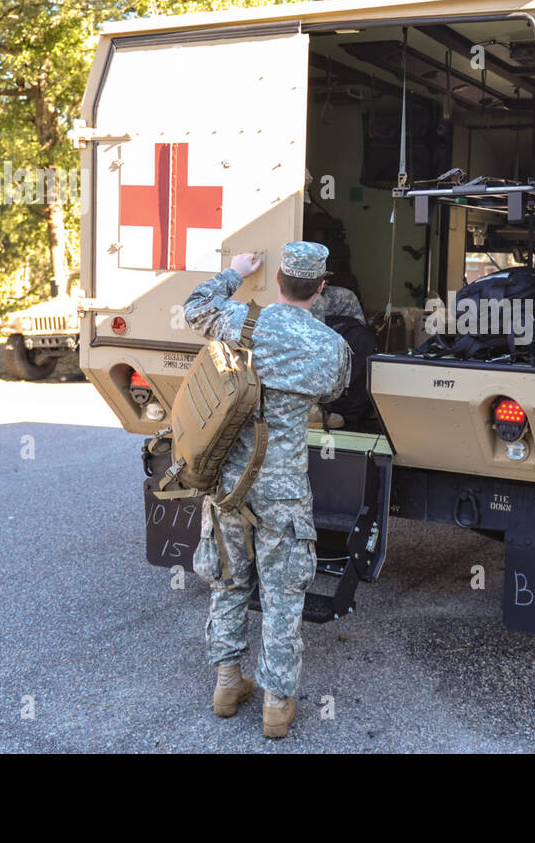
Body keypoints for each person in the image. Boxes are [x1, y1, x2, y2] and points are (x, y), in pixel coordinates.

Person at [182, 241, 351, 739]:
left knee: (229, 581)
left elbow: (194, 308)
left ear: (278, 277)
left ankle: (227, 684)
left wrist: (233, 273)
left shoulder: (239, 322)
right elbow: (337, 391)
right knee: (282, 593)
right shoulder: (329, 347)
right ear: (321, 287)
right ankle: (277, 706)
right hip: (285, 492)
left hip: (228, 483)